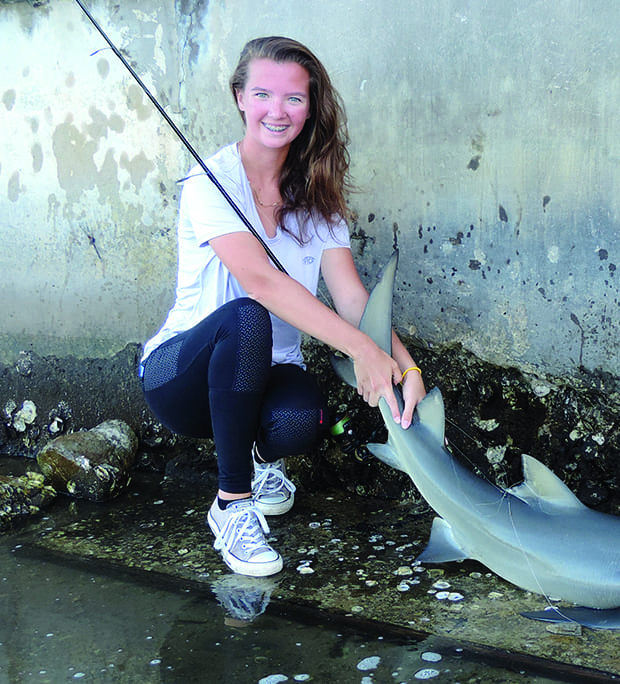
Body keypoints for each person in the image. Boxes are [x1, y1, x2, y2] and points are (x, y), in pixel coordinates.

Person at [139, 36, 426, 578]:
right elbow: (261, 282)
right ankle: (231, 504)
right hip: (181, 377)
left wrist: (405, 367)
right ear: (240, 98)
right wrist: (360, 350)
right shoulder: (209, 182)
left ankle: (260, 460)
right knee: (247, 315)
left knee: (301, 421)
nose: (278, 110)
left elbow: (351, 297)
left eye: (294, 98)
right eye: (263, 94)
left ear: (310, 107)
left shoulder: (317, 196)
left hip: (267, 374)